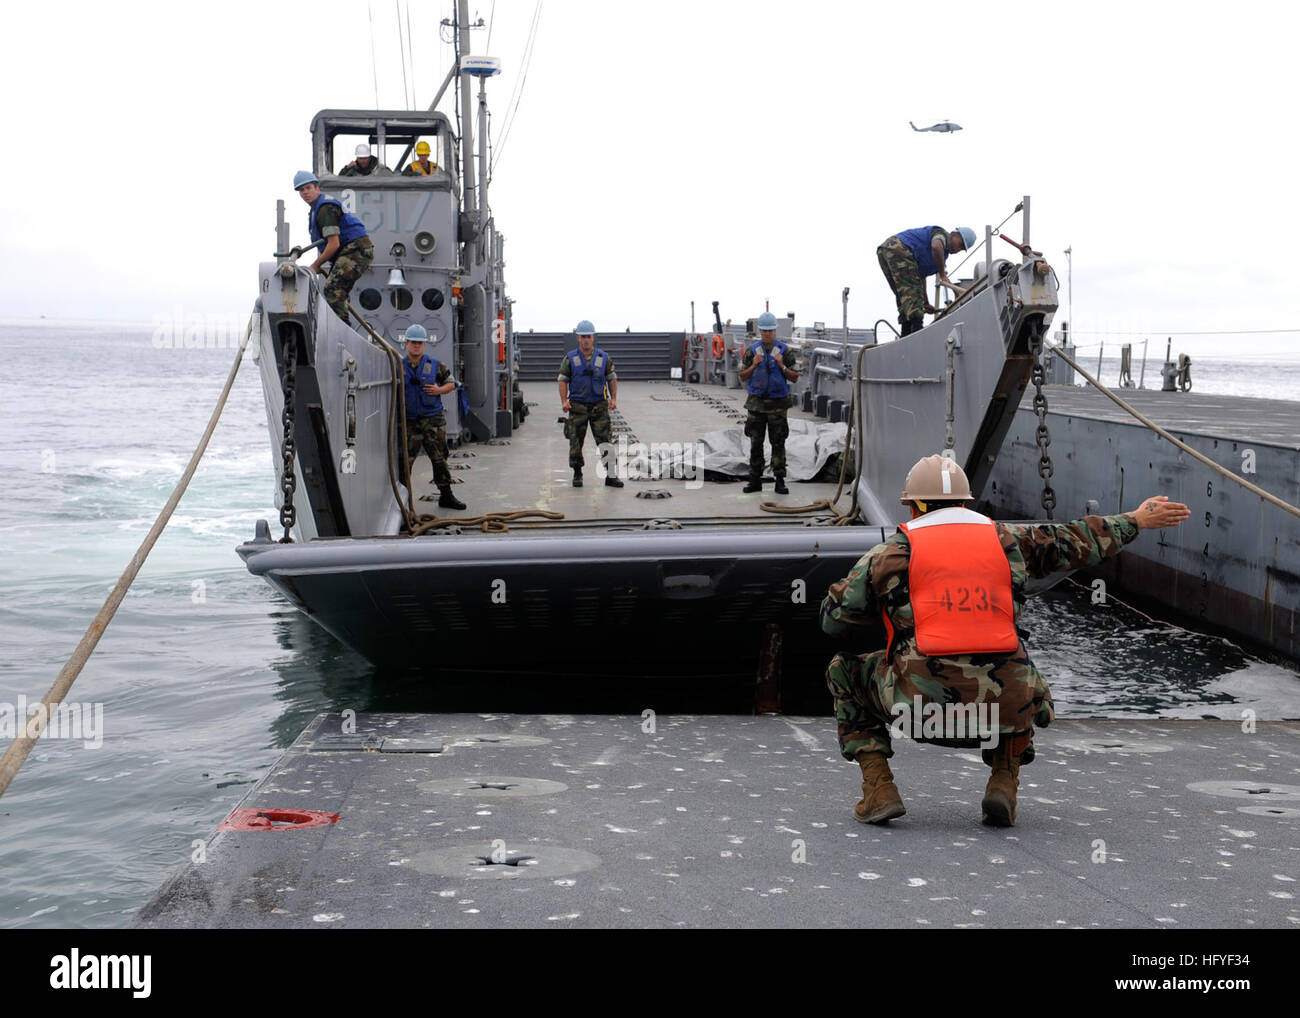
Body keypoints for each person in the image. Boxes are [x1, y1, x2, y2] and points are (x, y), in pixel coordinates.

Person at [820, 454, 1189, 827]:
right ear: (965, 502)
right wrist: (1137, 519)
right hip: (1003, 714)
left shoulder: (890, 553)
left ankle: (879, 788)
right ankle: (1003, 782)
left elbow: (834, 622)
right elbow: (1079, 539)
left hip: (918, 714)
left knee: (843, 671)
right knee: (1022, 677)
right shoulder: (1010, 540)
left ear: (914, 506)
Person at [293, 170, 374, 325]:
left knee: (332, 288)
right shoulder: (317, 208)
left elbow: (333, 243)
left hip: (356, 250)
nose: (305, 193)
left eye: (308, 188)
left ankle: (342, 329)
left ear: (317, 188)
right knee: (337, 290)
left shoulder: (325, 208)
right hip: (348, 251)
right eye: (301, 190)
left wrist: (315, 265)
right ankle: (340, 325)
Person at [401, 324, 465, 511]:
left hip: (433, 420)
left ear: (424, 345)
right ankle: (403, 502)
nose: (416, 346)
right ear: (406, 344)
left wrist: (439, 389)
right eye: (413, 342)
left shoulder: (435, 365)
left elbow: (452, 383)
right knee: (405, 462)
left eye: (420, 343)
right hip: (409, 421)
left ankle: (446, 495)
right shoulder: (398, 366)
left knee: (439, 460)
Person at [736, 311, 799, 494]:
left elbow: (795, 377)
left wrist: (782, 365)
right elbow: (742, 375)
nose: (767, 334)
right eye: (764, 330)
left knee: (778, 443)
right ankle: (755, 480)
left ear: (775, 331)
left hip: (778, 406)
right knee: (756, 443)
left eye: (770, 330)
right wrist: (754, 364)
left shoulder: (784, 351)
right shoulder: (753, 351)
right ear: (760, 331)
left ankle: (780, 480)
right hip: (756, 405)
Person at [557, 320, 623, 488]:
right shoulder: (570, 359)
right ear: (578, 338)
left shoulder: (603, 358)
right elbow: (562, 380)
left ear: (593, 337)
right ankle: (577, 473)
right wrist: (564, 401)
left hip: (599, 406)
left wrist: (613, 398)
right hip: (577, 406)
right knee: (576, 441)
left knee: (605, 440)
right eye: (583, 337)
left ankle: (611, 475)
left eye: (588, 336)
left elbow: (612, 379)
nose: (586, 340)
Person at [877, 225, 976, 336]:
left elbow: (919, 276)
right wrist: (942, 274)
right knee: (911, 294)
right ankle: (916, 335)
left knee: (904, 295)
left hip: (885, 250)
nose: (958, 250)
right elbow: (936, 246)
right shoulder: (941, 235)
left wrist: (925, 302)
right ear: (954, 235)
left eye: (962, 249)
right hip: (899, 248)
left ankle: (905, 335)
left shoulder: (940, 254)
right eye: (961, 245)